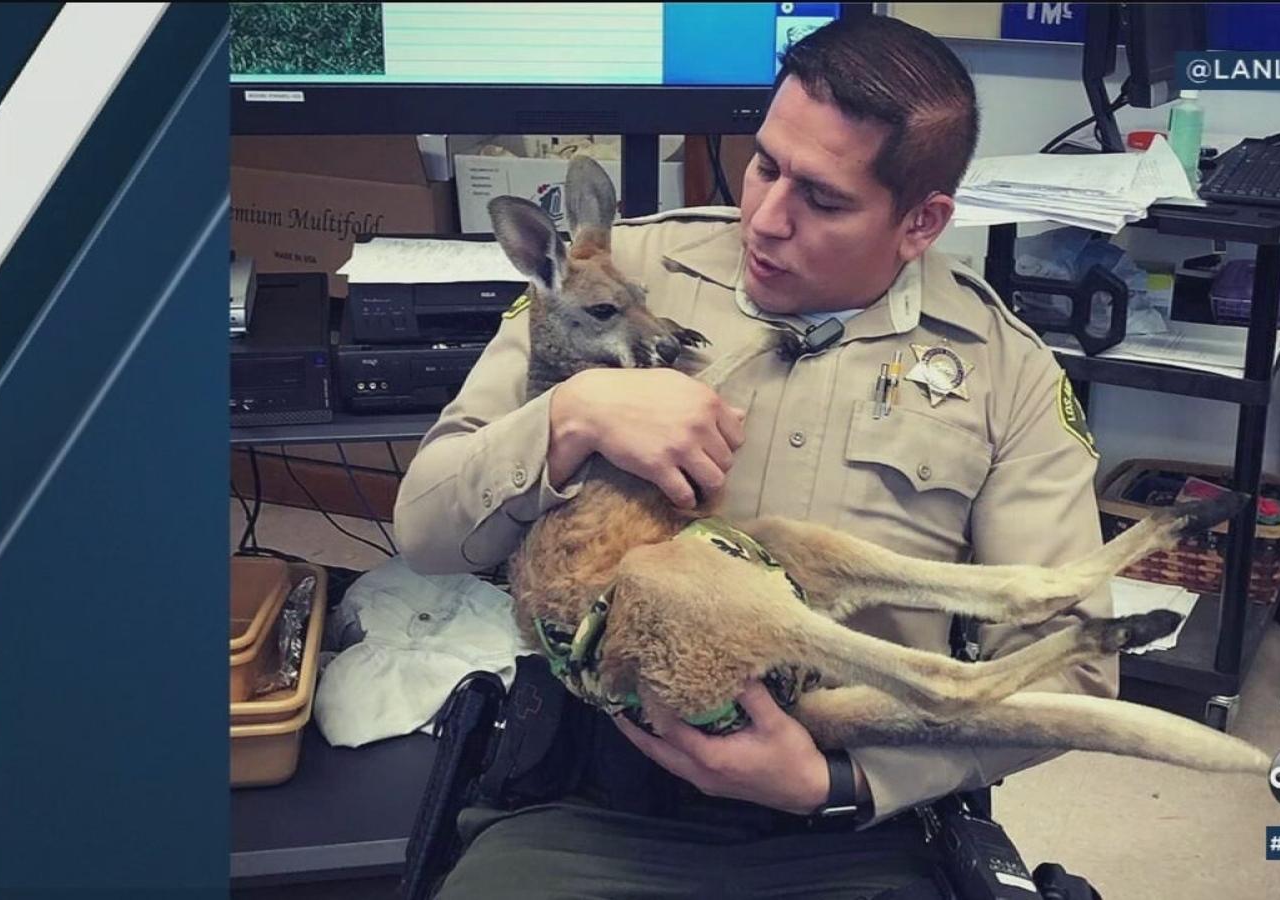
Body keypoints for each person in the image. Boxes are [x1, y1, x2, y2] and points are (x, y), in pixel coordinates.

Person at [393, 14, 1116, 900]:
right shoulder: (614, 277)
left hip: (850, 819)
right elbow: (423, 529)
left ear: (922, 221)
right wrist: (570, 418)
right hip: (592, 799)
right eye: (766, 165)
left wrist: (843, 783)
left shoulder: (1005, 370)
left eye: (823, 199)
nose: (766, 220)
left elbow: (1077, 667)